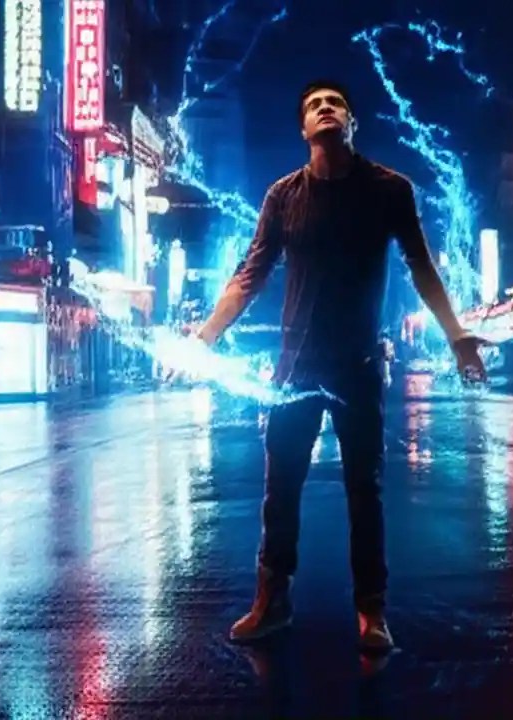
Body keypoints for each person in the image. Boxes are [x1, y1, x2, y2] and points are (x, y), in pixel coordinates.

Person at [191, 79, 486, 652]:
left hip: (357, 366)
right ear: (304, 129)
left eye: (335, 104)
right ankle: (272, 600)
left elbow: (422, 266)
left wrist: (456, 336)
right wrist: (205, 334)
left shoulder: (389, 190)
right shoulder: (282, 197)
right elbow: (251, 274)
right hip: (295, 370)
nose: (325, 109)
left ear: (352, 124)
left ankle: (371, 610)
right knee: (281, 488)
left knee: (363, 492)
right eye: (313, 106)